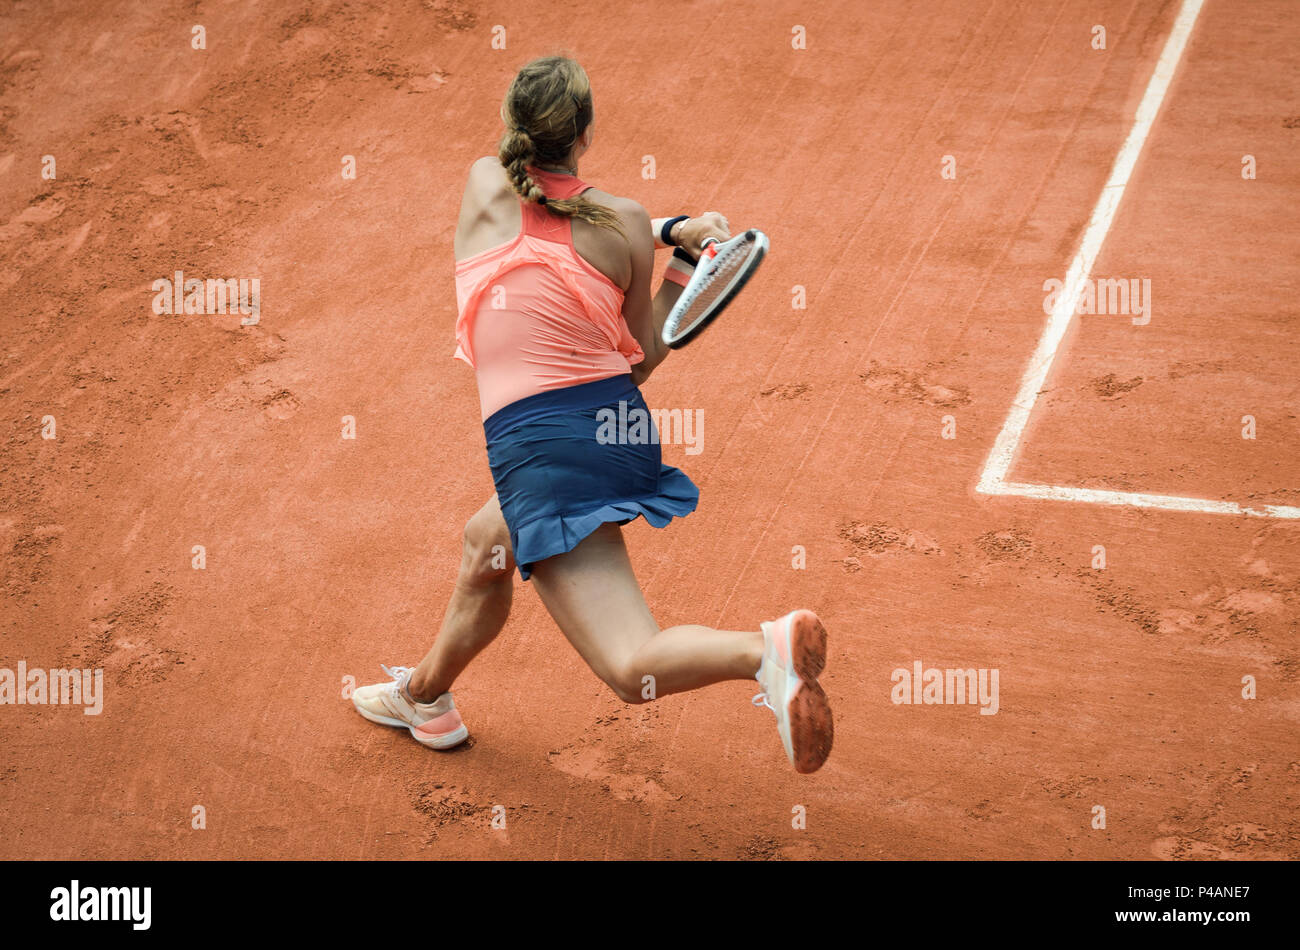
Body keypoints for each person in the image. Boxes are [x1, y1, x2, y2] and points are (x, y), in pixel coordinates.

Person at [353, 55, 832, 773]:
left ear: (516, 124)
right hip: (617, 429)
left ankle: (764, 651)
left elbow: (548, 205)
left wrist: (678, 233)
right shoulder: (631, 227)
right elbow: (638, 358)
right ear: (587, 130)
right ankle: (425, 698)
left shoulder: (484, 183)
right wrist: (681, 254)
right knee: (486, 545)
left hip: (543, 451)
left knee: (628, 663)